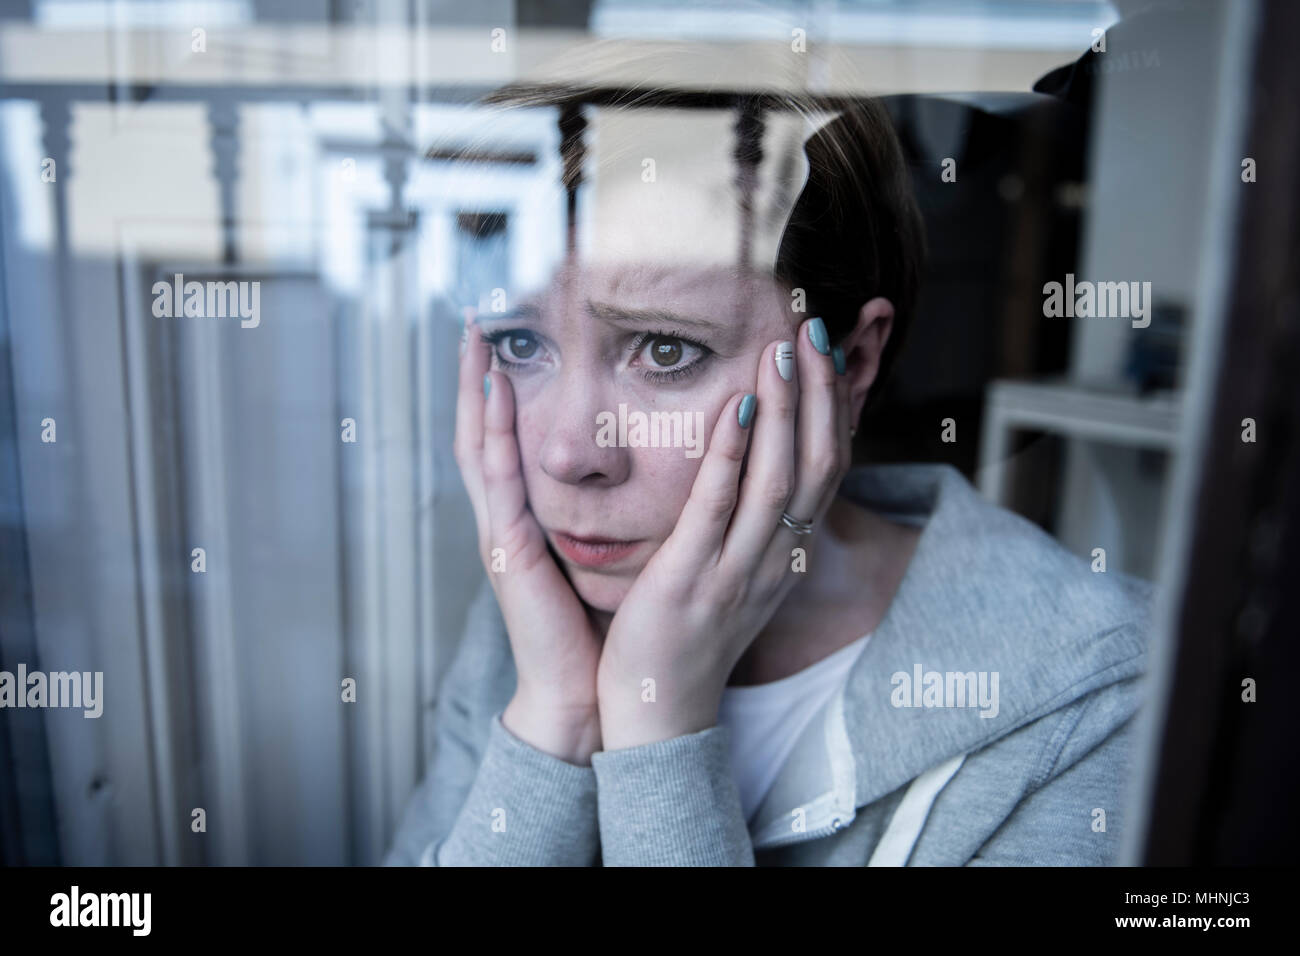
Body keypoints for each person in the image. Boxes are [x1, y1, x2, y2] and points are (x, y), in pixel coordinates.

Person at [384, 98, 1152, 866]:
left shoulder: (1095, 697)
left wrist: (661, 736)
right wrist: (553, 721)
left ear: (848, 363)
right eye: (519, 343)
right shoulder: (537, 613)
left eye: (663, 352)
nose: (568, 453)